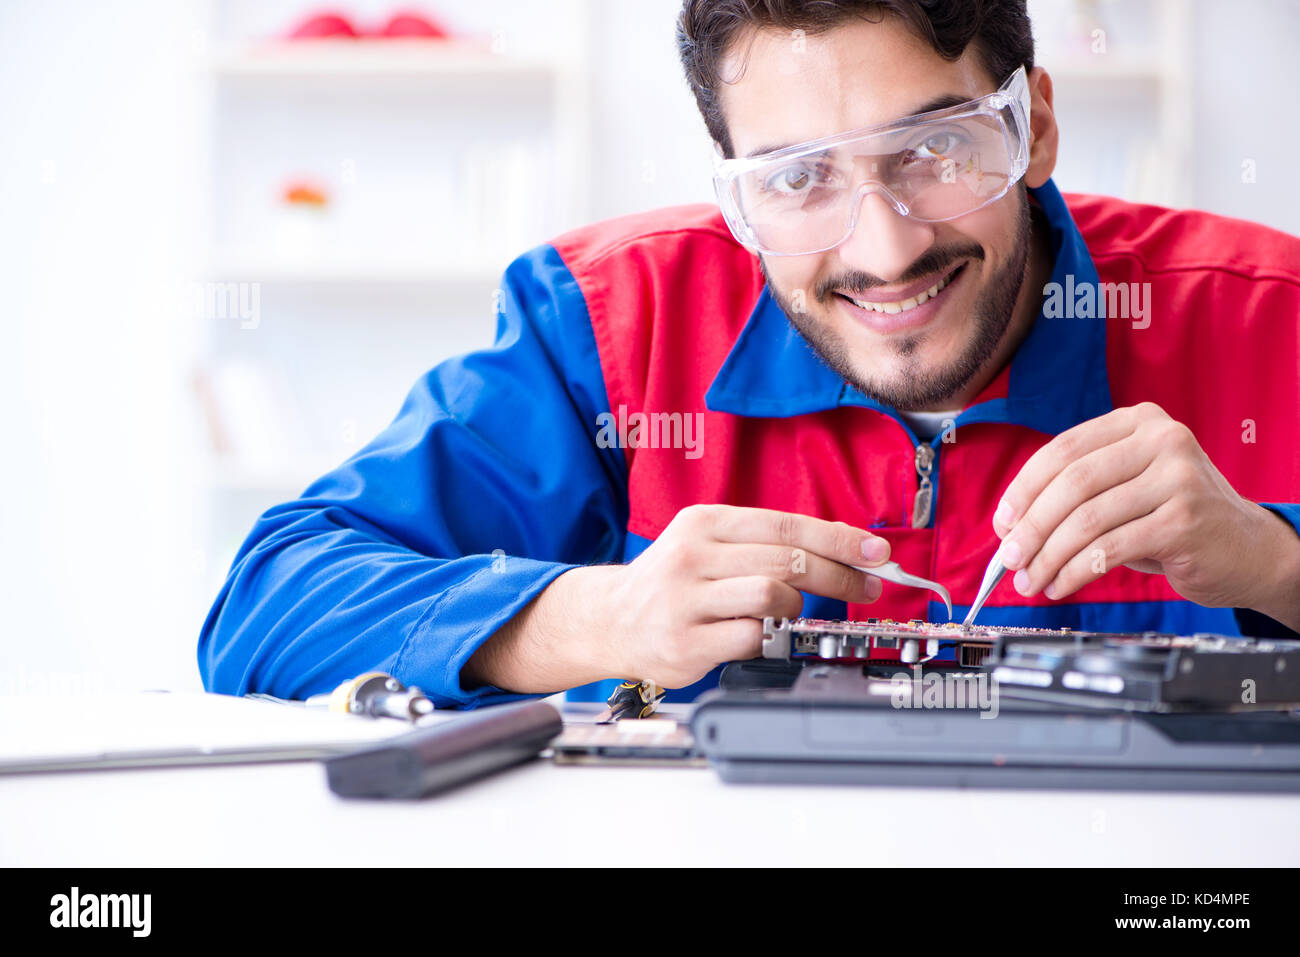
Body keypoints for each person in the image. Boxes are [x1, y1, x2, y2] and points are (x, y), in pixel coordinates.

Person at [199, 0, 1300, 708]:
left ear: (1033, 128)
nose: (885, 247)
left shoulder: (1267, 312)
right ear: (730, 190)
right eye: (797, 176)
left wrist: (1271, 562)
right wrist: (603, 615)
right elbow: (269, 605)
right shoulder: (599, 323)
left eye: (934, 148)